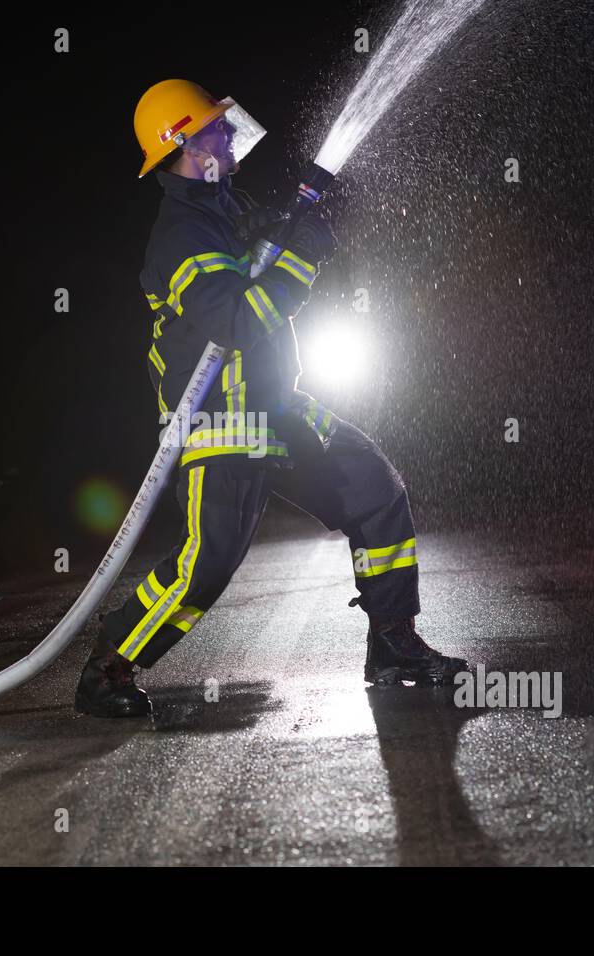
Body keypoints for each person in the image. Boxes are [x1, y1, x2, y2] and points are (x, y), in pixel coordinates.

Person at [74, 80, 468, 717]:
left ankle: (393, 643)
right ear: (181, 143)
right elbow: (233, 320)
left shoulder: (226, 209)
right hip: (224, 416)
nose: (227, 135)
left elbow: (264, 248)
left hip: (276, 403)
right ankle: (108, 669)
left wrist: (300, 219)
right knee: (207, 562)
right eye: (212, 128)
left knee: (375, 489)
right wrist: (301, 258)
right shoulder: (180, 231)